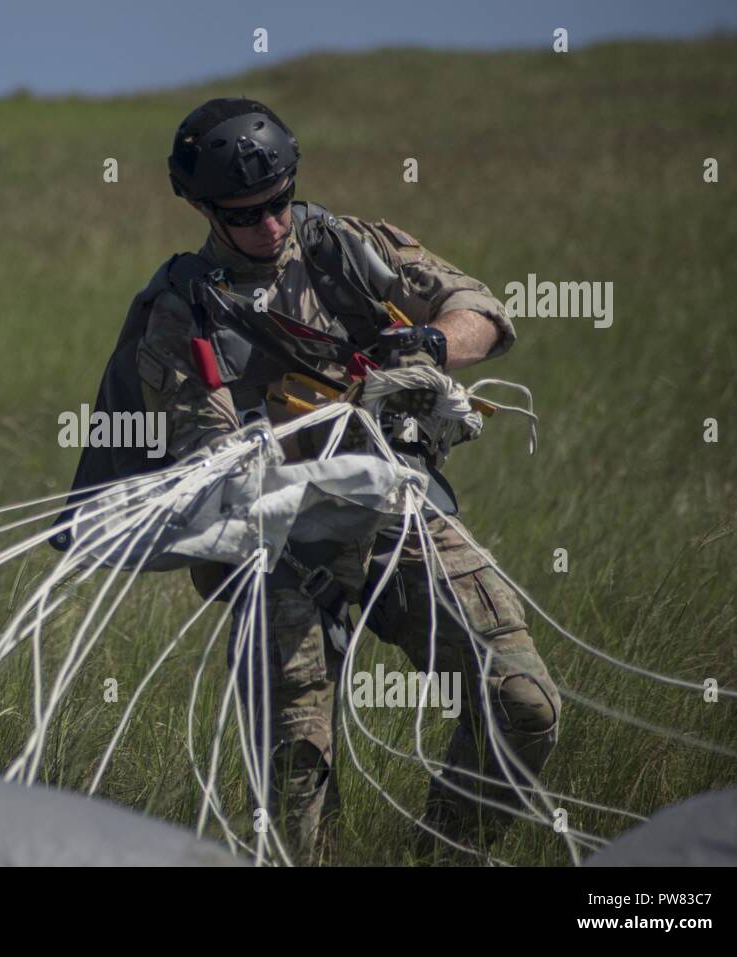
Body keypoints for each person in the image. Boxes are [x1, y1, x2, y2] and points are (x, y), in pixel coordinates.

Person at [132, 97, 562, 864]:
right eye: (244, 214)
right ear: (201, 207)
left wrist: (429, 349)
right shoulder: (183, 313)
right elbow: (211, 458)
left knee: (523, 702)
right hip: (280, 549)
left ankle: (445, 854)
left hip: (400, 512)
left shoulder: (349, 248)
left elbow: (483, 311)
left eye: (280, 201)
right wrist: (317, 436)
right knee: (298, 780)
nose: (270, 225)